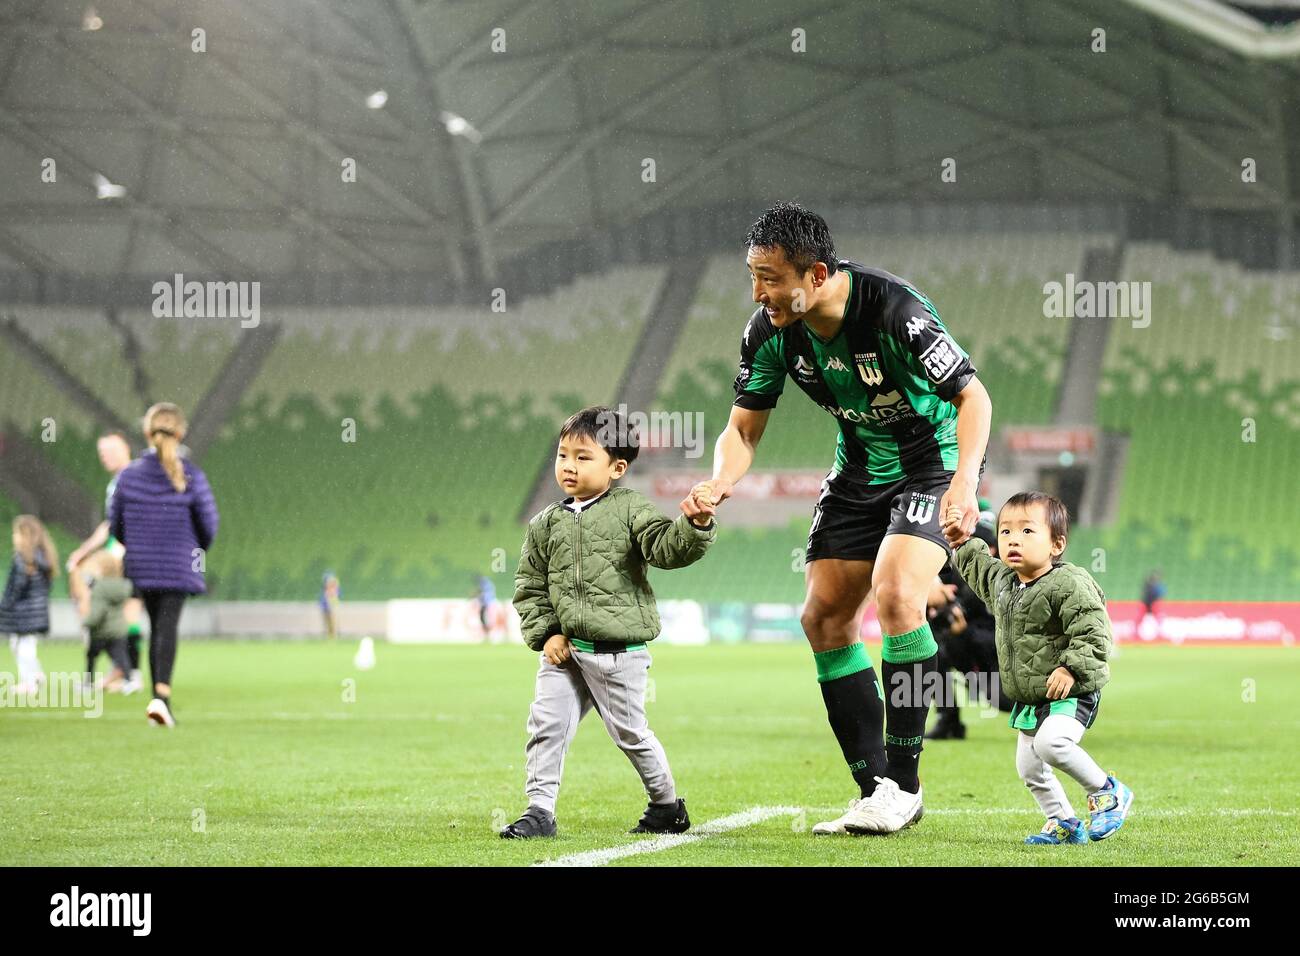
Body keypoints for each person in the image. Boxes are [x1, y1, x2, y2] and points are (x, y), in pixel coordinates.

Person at [680, 202, 992, 835]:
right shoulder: (770, 331)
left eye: (770, 276)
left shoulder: (891, 311)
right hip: (856, 475)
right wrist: (720, 480)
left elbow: (972, 394)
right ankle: (874, 785)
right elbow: (744, 427)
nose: (758, 291)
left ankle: (905, 784)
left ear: (816, 273)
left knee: (900, 594)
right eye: (752, 275)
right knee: (822, 617)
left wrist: (964, 483)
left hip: (930, 466)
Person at [503, 406, 717, 839]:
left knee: (630, 735)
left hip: (618, 655)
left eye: (584, 457)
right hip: (565, 654)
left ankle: (666, 806)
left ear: (617, 467)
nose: (569, 465)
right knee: (546, 726)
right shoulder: (544, 523)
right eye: (563, 455)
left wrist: (695, 523)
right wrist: (547, 633)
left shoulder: (631, 510)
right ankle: (539, 810)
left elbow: (665, 548)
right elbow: (530, 584)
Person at [948, 492, 1134, 844]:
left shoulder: (1069, 584)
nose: (1013, 539)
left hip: (1071, 690)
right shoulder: (1004, 584)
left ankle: (1108, 792)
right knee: (1030, 768)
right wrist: (960, 540)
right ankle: (1063, 822)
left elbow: (1094, 633)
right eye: (1005, 532)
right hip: (1031, 697)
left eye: (1027, 531)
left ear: (1056, 544)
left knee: (1052, 744)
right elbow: (978, 568)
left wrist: (1070, 668)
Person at [109, 403, 219, 727]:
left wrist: (138, 546)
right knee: (166, 627)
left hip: (142, 564)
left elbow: (115, 523)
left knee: (154, 625)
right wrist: (195, 548)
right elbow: (209, 522)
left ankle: (158, 699)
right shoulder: (191, 474)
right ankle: (161, 697)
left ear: (147, 432)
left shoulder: (128, 476)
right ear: (181, 432)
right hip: (179, 563)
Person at [66, 430, 146, 687]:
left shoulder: (135, 477)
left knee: (129, 609)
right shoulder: (116, 482)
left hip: (132, 553)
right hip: (118, 550)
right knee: (114, 607)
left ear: (125, 449)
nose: (105, 457)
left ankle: (130, 671)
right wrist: (83, 551)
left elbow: (140, 517)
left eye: (110, 450)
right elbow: (110, 524)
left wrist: (125, 549)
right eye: (101, 452)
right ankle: (121, 669)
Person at [926, 500, 1008, 739]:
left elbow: (1009, 637)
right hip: (971, 656)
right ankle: (948, 720)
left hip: (1003, 665)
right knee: (927, 652)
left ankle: (1053, 716)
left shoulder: (1004, 581)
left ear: (992, 550)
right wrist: (936, 607)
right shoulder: (954, 575)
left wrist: (965, 632)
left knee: (1005, 702)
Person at [1, 515, 58, 695]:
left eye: (16, 533)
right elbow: (46, 587)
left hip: (22, 612)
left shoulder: (22, 560)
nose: (14, 537)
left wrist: (4, 606)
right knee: (25, 645)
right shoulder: (44, 559)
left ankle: (29, 682)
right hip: (38, 612)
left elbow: (15, 589)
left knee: (22, 647)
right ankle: (36, 674)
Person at [69, 550, 135, 693]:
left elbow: (98, 611)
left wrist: (86, 622)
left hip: (100, 631)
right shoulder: (122, 585)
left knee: (91, 657)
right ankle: (129, 681)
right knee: (121, 657)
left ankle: (88, 683)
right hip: (118, 630)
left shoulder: (99, 588)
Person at [320, 571, 340, 640]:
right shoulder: (325, 589)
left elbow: (334, 598)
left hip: (331, 607)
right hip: (325, 607)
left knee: (332, 622)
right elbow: (323, 599)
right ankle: (329, 636)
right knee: (327, 622)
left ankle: (333, 636)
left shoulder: (334, 589)